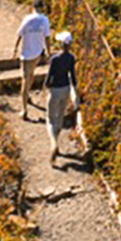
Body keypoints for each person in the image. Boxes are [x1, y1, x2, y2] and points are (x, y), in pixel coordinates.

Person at [45, 31, 80, 164]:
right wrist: (75, 92)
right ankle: (57, 142)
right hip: (65, 89)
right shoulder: (71, 58)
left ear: (60, 44)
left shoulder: (54, 59)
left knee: (50, 118)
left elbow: (49, 77)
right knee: (60, 116)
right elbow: (73, 77)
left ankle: (54, 144)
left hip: (55, 89)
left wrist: (46, 86)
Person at [13, 1, 52, 116]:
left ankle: (24, 109)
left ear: (32, 8)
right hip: (38, 53)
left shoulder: (27, 19)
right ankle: (27, 96)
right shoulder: (45, 20)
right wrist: (49, 52)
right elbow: (47, 37)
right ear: (42, 8)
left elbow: (19, 34)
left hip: (26, 54)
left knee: (25, 80)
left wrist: (15, 48)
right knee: (31, 76)